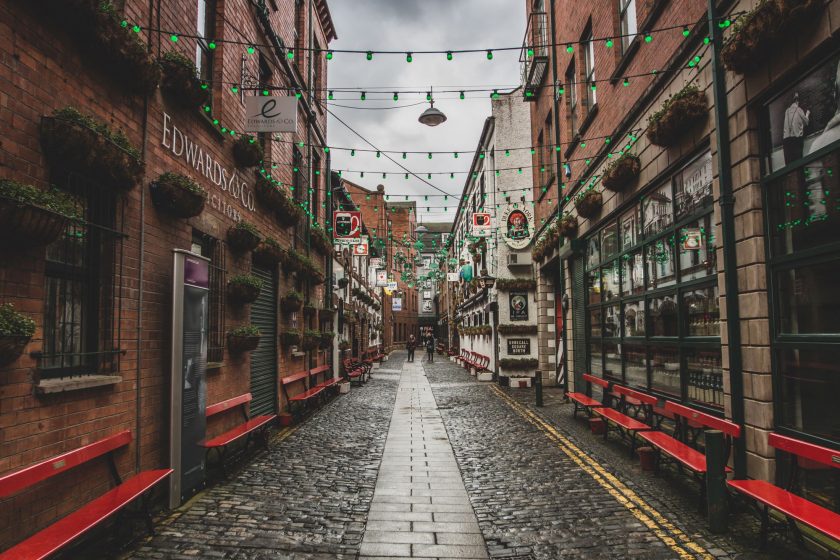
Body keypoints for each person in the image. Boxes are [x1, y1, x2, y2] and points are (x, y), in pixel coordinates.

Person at [783, 91, 810, 165]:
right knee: (799, 164)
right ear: (797, 101)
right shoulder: (799, 110)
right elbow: (806, 122)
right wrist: (807, 114)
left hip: (786, 142)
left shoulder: (786, 111)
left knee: (789, 166)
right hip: (796, 140)